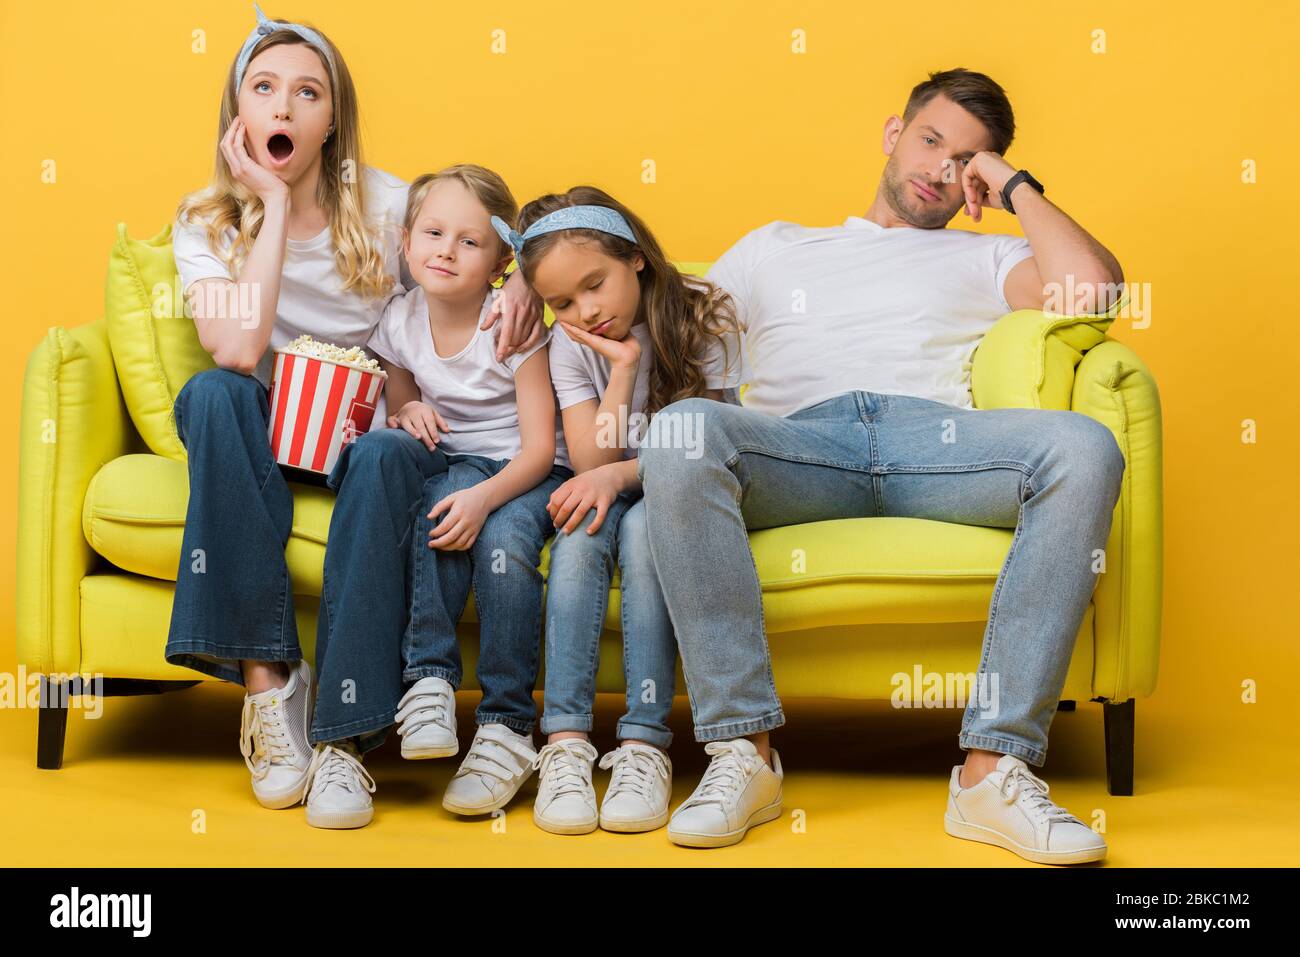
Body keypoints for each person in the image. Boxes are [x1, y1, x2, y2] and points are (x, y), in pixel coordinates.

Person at [637, 68, 1126, 861]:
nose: (940, 168)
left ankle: (992, 772)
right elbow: (665, 331)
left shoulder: (989, 256)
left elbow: (1096, 292)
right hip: (800, 445)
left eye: (968, 160)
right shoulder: (777, 246)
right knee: (686, 430)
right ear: (893, 135)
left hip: (934, 448)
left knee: (1085, 444)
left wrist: (1016, 186)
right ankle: (743, 757)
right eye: (931, 141)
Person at [165, 4, 542, 813]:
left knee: (380, 453)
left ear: (333, 117)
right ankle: (270, 685)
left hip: (371, 437)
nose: (284, 108)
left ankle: (344, 737)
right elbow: (236, 347)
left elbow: (471, 252)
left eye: (308, 93)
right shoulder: (204, 218)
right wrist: (265, 207)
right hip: (267, 432)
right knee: (212, 392)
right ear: (239, 110)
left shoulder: (385, 204)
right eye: (264, 88)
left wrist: (526, 293)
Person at [302, 165, 572, 828]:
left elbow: (539, 449)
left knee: (498, 540)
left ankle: (493, 713)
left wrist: (485, 498)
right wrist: (409, 409)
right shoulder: (399, 319)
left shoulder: (510, 325)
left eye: (470, 241)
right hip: (451, 466)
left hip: (522, 470)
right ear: (406, 241)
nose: (446, 249)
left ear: (503, 262)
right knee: (440, 504)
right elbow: (402, 403)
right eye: (433, 232)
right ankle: (427, 685)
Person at [503, 188, 742, 834]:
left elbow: (713, 446)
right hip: (603, 480)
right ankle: (565, 744)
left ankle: (643, 745)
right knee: (578, 537)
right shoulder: (571, 345)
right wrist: (622, 369)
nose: (586, 311)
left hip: (688, 492)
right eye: (562, 302)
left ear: (635, 257)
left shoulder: (706, 316)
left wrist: (623, 474)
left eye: (594, 285)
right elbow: (588, 462)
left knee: (642, 532)